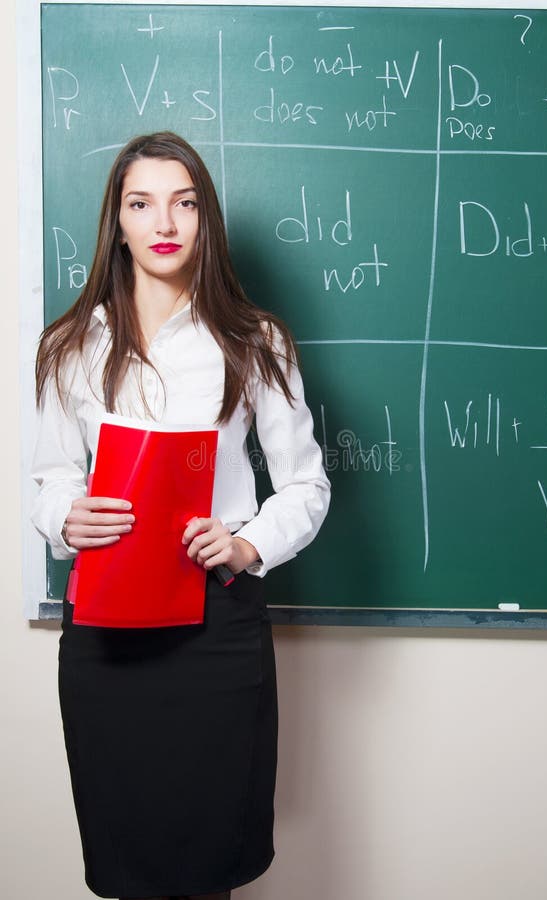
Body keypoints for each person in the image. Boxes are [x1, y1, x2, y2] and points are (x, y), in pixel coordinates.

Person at [31, 131, 330, 900]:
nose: (164, 221)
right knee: (128, 865)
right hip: (106, 633)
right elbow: (49, 477)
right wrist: (68, 516)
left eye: (184, 202)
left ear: (206, 220)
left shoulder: (254, 341)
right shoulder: (71, 345)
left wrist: (244, 542)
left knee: (208, 871)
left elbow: (306, 486)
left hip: (216, 628)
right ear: (118, 222)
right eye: (142, 203)